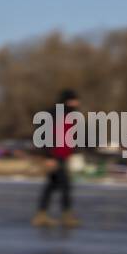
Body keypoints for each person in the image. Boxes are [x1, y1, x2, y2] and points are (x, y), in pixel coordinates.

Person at [32, 88, 80, 227]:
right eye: (74, 100)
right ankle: (66, 215)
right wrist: (48, 156)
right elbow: (44, 135)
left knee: (52, 185)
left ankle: (41, 214)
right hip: (54, 156)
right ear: (67, 100)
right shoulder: (53, 114)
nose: (77, 102)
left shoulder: (72, 115)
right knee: (65, 185)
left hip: (63, 156)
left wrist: (74, 152)